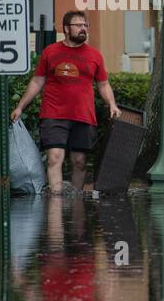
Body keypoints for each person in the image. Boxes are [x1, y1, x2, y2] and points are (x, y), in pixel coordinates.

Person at [11, 11, 120, 194]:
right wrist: (20, 106)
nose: (83, 29)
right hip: (54, 114)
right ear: (66, 29)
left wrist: (112, 104)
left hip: (84, 116)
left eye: (85, 25)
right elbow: (37, 81)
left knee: (79, 161)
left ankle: (76, 206)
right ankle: (56, 203)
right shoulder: (50, 52)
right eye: (78, 25)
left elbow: (103, 84)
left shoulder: (95, 55)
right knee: (54, 157)